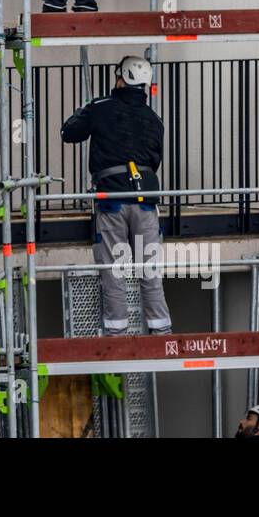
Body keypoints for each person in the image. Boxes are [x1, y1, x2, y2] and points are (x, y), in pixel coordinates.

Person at [61, 54, 170, 336]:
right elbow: (155, 158)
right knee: (150, 270)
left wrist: (82, 111)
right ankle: (161, 332)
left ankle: (116, 335)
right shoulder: (154, 119)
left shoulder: (101, 108)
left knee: (114, 269)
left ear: (120, 77)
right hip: (146, 199)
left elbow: (69, 133)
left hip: (111, 199)